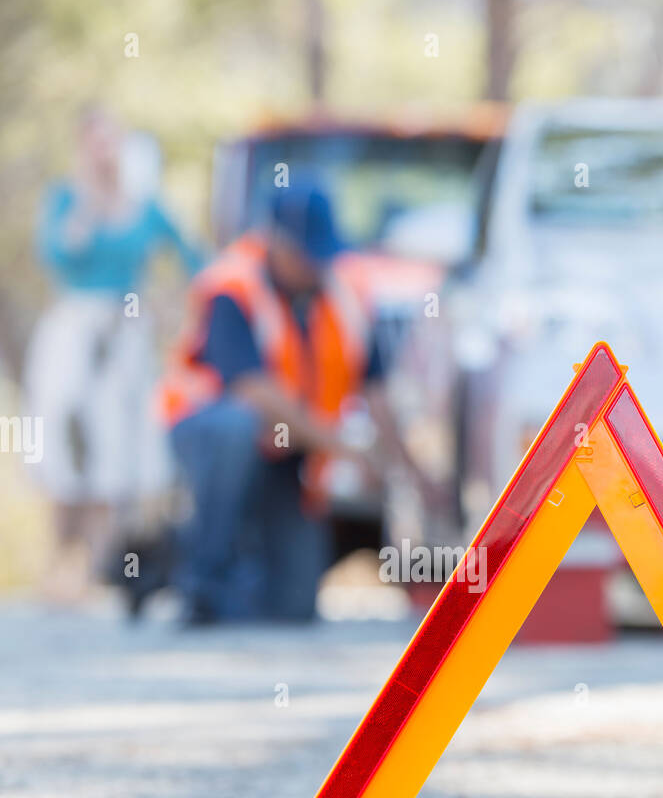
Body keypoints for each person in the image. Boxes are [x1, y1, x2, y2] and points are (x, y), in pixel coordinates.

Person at [160, 177, 422, 625]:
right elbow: (251, 390)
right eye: (305, 252)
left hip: (287, 458)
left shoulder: (347, 295)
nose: (315, 264)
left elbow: (375, 392)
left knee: (295, 604)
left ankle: (226, 585)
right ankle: (200, 579)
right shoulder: (233, 287)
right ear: (275, 242)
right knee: (235, 428)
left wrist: (406, 471)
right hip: (212, 437)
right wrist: (339, 445)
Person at [25, 104, 202, 601]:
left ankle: (100, 570)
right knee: (62, 438)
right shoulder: (65, 199)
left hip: (125, 335)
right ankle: (58, 568)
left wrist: (170, 310)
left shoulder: (145, 204)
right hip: (73, 331)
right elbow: (56, 255)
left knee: (115, 446)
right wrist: (86, 202)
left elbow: (192, 258)